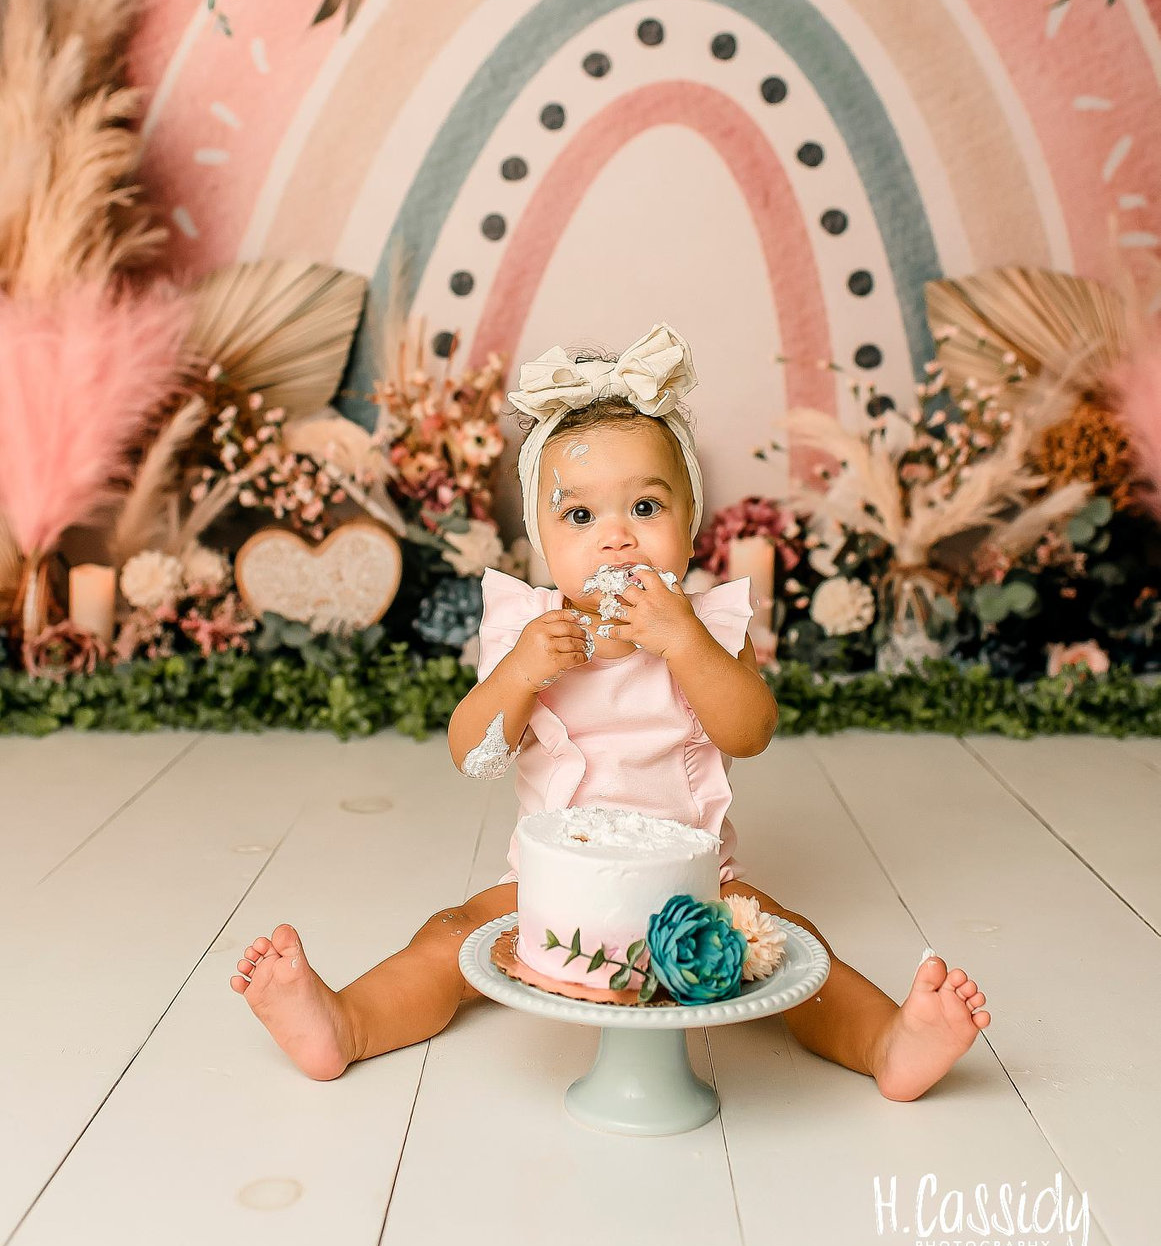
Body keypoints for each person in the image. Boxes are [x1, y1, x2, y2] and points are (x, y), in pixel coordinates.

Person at [230, 322, 990, 1098]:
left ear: (689, 528)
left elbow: (750, 731)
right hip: (549, 887)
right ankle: (346, 1023)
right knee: (449, 935)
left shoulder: (710, 625)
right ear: (540, 539)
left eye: (646, 507)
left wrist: (684, 642)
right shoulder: (527, 628)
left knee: (792, 946)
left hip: (696, 889)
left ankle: (886, 1043)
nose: (617, 538)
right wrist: (520, 673)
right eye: (580, 517)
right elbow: (469, 749)